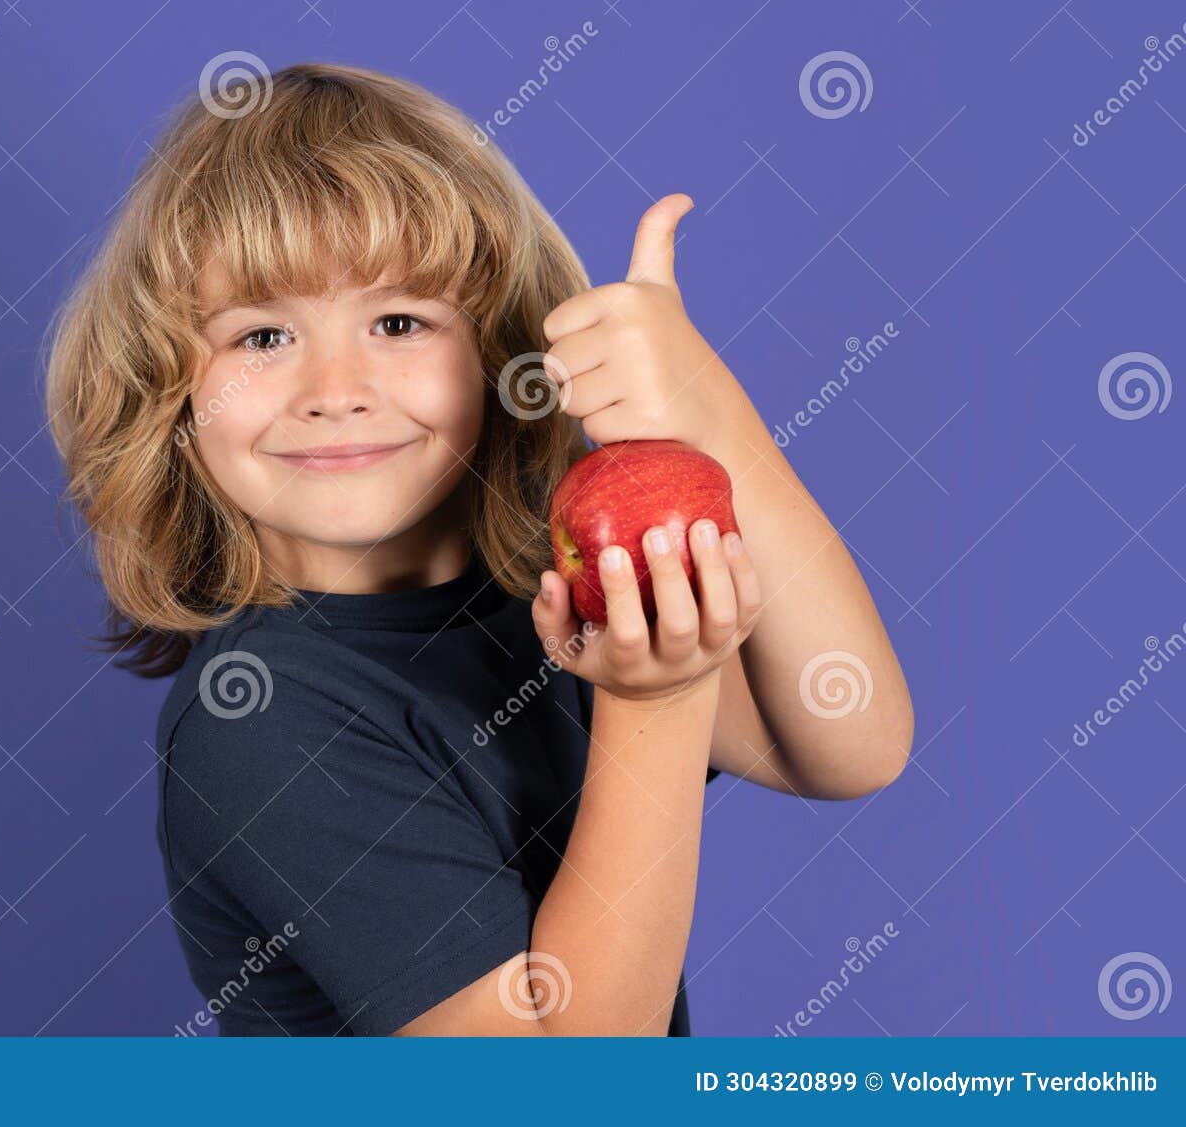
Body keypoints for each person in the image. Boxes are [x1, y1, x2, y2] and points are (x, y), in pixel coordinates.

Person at [44, 62, 913, 1035]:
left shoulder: (542, 590)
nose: (336, 386)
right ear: (169, 399)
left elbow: (849, 740)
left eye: (398, 320)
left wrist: (710, 417)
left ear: (501, 358)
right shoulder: (261, 724)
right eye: (261, 337)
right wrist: (655, 700)